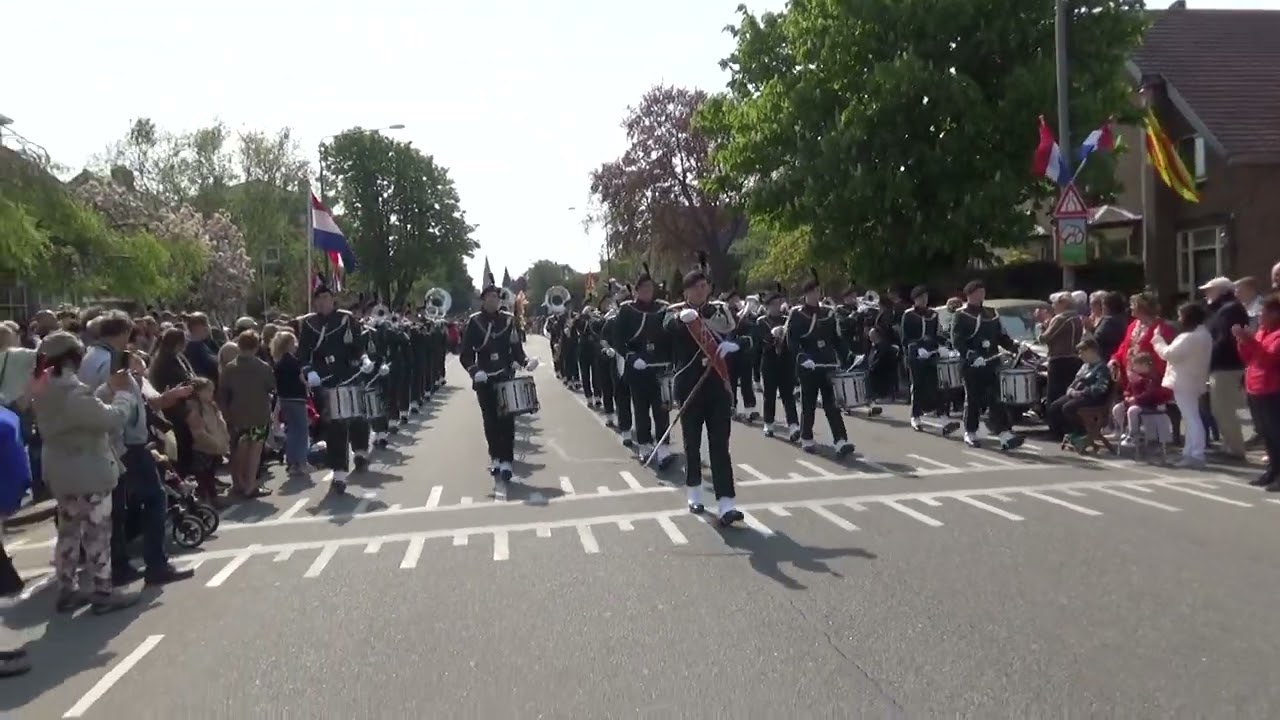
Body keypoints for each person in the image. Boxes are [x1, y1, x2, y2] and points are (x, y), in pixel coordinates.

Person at [79, 313, 194, 587]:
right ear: (124, 332)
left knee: (117, 507)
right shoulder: (111, 360)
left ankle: (119, 566)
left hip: (110, 441)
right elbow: (118, 397)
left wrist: (158, 398)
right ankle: (155, 564)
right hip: (124, 441)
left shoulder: (92, 357)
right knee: (154, 498)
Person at [32, 331, 140, 613]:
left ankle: (67, 589)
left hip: (60, 469)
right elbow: (109, 419)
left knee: (68, 533)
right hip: (87, 470)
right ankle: (103, 592)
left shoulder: (44, 388)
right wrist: (125, 395)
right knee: (97, 532)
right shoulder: (72, 392)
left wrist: (107, 389)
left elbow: (86, 411)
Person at [664, 254, 743, 525]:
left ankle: (726, 503)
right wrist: (682, 320)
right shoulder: (677, 314)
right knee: (693, 444)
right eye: (695, 287)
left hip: (717, 387)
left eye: (703, 286)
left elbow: (741, 336)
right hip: (690, 388)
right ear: (685, 291)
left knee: (720, 445)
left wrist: (735, 347)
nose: (701, 290)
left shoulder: (721, 313)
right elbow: (666, 329)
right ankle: (695, 492)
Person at [460, 273, 537, 496]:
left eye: (496, 297)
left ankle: (507, 461)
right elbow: (465, 355)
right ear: (483, 300)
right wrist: (475, 371)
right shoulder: (474, 322)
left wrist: (525, 361)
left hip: (504, 376)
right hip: (485, 379)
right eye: (489, 297)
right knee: (490, 421)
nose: (493, 300)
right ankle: (495, 456)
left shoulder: (508, 321)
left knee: (507, 422)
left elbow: (515, 348)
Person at [298, 282, 374, 495]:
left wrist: (365, 359)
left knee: (358, 417)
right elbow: (304, 352)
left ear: (333, 300)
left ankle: (360, 451)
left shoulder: (345, 319)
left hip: (349, 374)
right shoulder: (309, 324)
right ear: (315, 302)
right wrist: (308, 371)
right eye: (319, 299)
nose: (323, 302)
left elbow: (358, 345)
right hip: (326, 379)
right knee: (335, 427)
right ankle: (339, 473)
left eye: (326, 298)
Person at [786, 269, 855, 456]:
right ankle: (806, 436)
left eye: (818, 291)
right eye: (812, 292)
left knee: (831, 404)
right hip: (809, 364)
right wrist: (802, 358)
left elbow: (837, 339)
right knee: (808, 403)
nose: (816, 294)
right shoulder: (797, 315)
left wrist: (849, 355)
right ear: (805, 294)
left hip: (827, 363)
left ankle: (841, 440)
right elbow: (791, 341)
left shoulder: (828, 313)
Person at [612, 263, 675, 466]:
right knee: (641, 410)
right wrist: (631, 357)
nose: (648, 292)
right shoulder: (627, 311)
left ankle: (664, 449)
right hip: (638, 368)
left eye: (650, 288)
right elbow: (618, 339)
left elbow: (670, 335)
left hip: (659, 368)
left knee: (662, 410)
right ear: (637, 291)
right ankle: (645, 446)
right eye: (644, 289)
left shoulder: (663, 308)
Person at [950, 280, 1024, 451]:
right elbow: (957, 341)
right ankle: (970, 432)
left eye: (983, 292)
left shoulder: (991, 313)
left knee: (995, 399)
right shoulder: (961, 315)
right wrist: (971, 356)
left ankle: (1004, 434)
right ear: (969, 295)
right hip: (972, 364)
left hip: (991, 362)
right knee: (973, 398)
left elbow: (1000, 337)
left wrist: (1015, 347)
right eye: (977, 292)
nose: (981, 295)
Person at [1152, 302, 1213, 468]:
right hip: (1194, 379)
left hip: (1184, 380)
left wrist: (1158, 340)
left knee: (1191, 417)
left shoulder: (1190, 337)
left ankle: (1196, 454)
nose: (1179, 319)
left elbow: (1168, 354)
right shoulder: (1203, 334)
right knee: (1191, 416)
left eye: (1181, 315)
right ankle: (1190, 452)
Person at [219, 330, 277, 498]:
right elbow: (271, 387)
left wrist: (226, 413)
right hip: (259, 414)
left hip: (236, 415)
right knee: (255, 451)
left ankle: (238, 483)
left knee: (237, 451)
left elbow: (223, 393)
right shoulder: (263, 367)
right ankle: (250, 485)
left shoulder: (229, 368)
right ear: (257, 346)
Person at [1200, 276, 1251, 460]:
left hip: (1227, 366)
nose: (1206, 293)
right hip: (1222, 365)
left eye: (1210, 289)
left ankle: (1235, 449)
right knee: (1220, 409)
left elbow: (1224, 340)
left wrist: (1208, 358)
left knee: (1223, 408)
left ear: (1222, 291)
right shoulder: (1222, 310)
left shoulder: (1229, 310)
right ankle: (1230, 445)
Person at [1233, 295, 1280, 489]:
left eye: (1264, 312)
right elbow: (1248, 357)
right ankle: (1272, 471)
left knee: (1277, 434)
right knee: (1266, 433)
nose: (1260, 316)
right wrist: (1242, 341)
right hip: (1256, 389)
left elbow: (1269, 359)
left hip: (1273, 389)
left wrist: (1249, 341)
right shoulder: (1262, 332)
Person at [900, 285, 958, 435]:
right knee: (918, 385)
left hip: (932, 352)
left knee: (939, 384)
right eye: (920, 297)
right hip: (916, 354)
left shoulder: (933, 314)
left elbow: (936, 334)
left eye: (925, 297)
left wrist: (947, 344)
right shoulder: (908, 315)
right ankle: (916, 416)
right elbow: (905, 338)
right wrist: (916, 348)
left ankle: (943, 416)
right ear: (915, 300)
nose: (924, 300)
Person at [1048, 338, 1114, 451]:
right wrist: (1071, 390)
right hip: (1078, 395)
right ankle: (1072, 430)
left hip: (1093, 398)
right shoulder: (1085, 366)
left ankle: (1082, 431)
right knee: (1055, 406)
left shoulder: (1102, 368)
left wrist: (1082, 392)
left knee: (1068, 408)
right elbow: (1075, 381)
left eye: (1082, 352)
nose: (1080, 355)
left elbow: (1100, 388)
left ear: (1091, 351)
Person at [755, 283, 801, 441]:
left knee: (788, 394)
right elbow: (760, 343)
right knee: (769, 394)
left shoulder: (787, 319)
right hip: (769, 362)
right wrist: (772, 336)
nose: (776, 307)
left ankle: (794, 425)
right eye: (773, 304)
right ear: (767, 306)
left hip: (786, 362)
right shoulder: (761, 321)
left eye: (778, 303)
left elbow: (794, 340)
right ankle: (769, 422)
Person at [1038, 292, 1086, 421]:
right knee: (1067, 392)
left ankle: (1055, 425)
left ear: (1063, 303)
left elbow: (1045, 338)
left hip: (1059, 359)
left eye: (1054, 303)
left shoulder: (1061, 318)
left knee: (1054, 394)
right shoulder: (1077, 318)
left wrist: (1042, 325)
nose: (1053, 306)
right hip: (1075, 358)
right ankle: (1067, 424)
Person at [1112, 352, 1173, 449]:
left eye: (1136, 365)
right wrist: (1127, 395)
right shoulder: (1135, 376)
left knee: (1133, 411)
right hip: (1135, 401)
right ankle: (1125, 430)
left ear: (1144, 365)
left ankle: (1134, 435)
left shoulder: (1152, 378)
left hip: (1148, 403)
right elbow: (1129, 389)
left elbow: (1149, 394)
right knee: (1117, 408)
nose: (1134, 368)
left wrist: (1136, 399)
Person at [272, 330, 311, 476]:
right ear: (288, 344)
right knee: (302, 430)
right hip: (297, 398)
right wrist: (309, 385)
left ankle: (292, 462)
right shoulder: (293, 361)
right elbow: (302, 379)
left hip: (284, 399)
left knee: (292, 430)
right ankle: (301, 462)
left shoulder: (278, 362)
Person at [184, 377, 229, 503]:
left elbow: (220, 422)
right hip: (202, 447)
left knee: (211, 473)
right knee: (203, 475)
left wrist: (223, 438)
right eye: (208, 391)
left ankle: (213, 496)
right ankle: (206, 499)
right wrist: (214, 443)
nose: (211, 394)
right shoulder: (194, 408)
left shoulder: (212, 405)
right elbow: (198, 432)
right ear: (198, 392)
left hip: (214, 446)